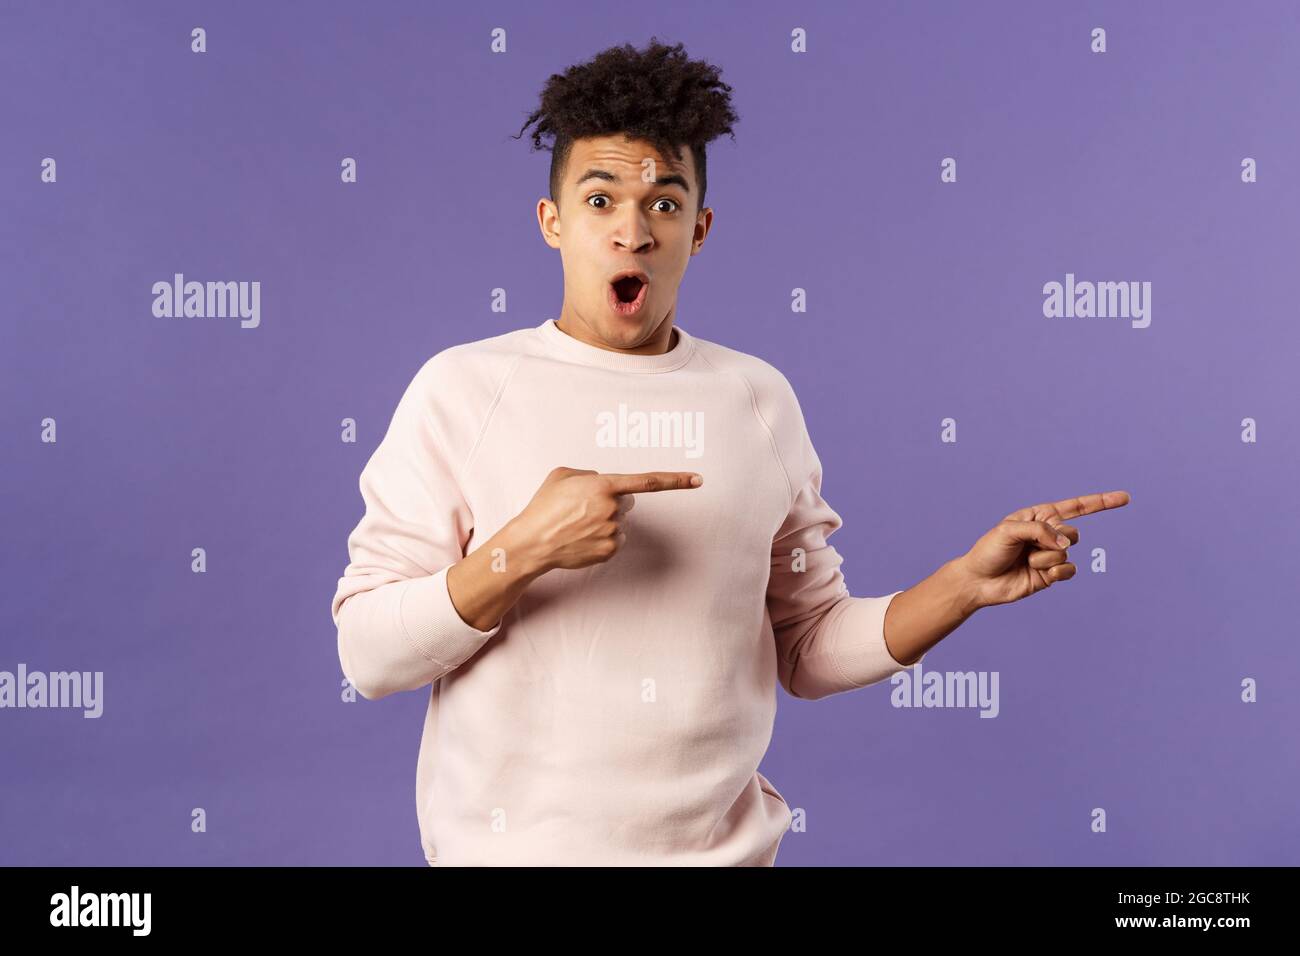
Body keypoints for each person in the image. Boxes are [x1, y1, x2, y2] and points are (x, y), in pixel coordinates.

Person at [330, 37, 1130, 866]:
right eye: (600, 201)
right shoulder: (463, 389)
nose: (632, 234)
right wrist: (519, 551)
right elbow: (369, 655)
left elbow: (810, 644)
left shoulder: (757, 398)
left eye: (664, 205)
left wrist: (961, 585)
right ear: (552, 221)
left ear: (699, 229)